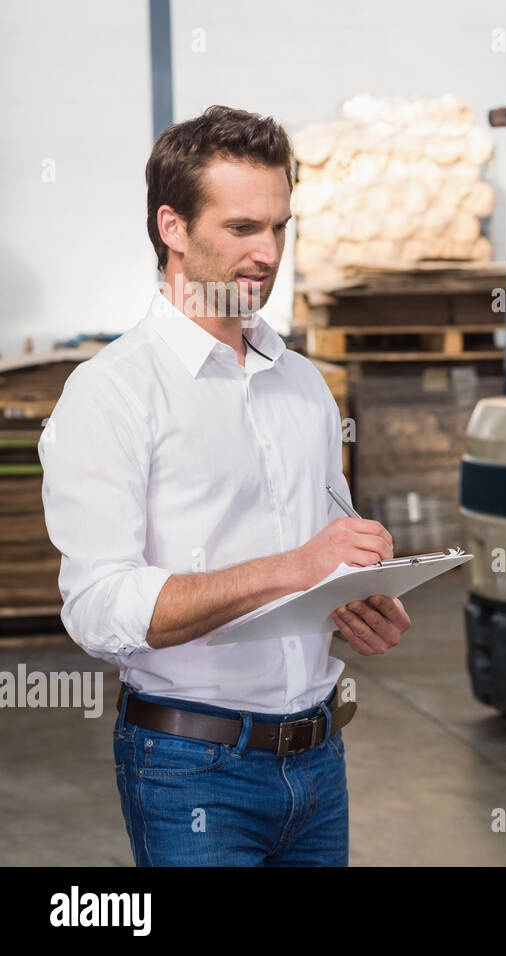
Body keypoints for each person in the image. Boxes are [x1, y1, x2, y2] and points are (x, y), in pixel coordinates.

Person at [38, 105, 411, 865]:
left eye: (280, 227)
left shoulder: (302, 384)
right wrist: (293, 569)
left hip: (317, 758)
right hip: (190, 771)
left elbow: (323, 541)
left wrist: (356, 590)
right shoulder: (111, 394)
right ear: (172, 227)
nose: (267, 252)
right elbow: (98, 608)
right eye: (242, 228)